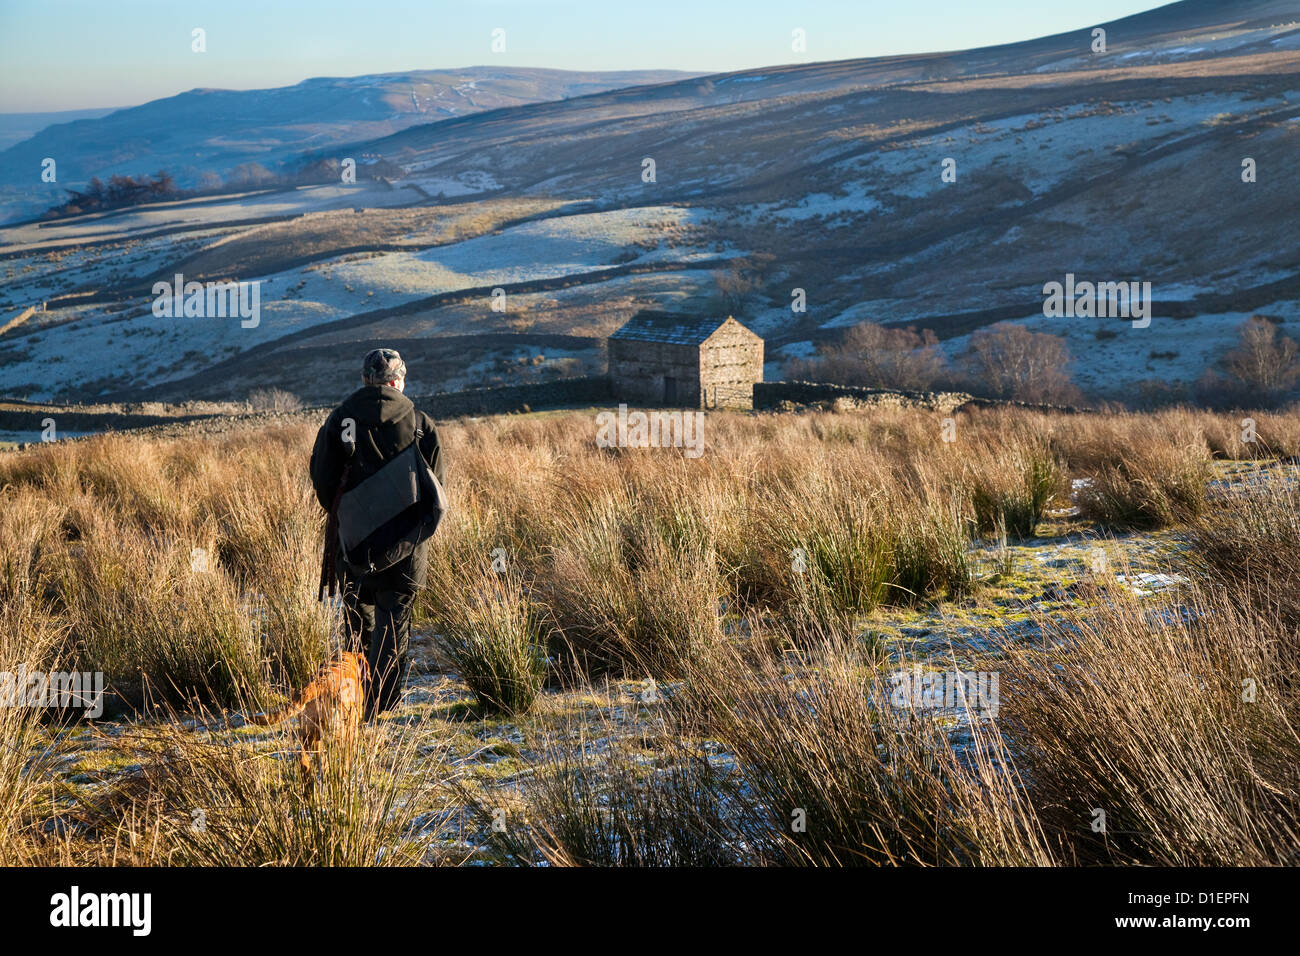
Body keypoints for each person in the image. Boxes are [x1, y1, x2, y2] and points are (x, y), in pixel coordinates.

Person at [309, 348, 445, 718]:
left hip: (353, 545)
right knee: (394, 624)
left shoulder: (340, 420)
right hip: (406, 548)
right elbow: (437, 489)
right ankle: (382, 706)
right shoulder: (420, 423)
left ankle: (355, 701)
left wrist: (354, 516)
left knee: (357, 623)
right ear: (398, 380)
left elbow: (322, 481)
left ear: (366, 379)